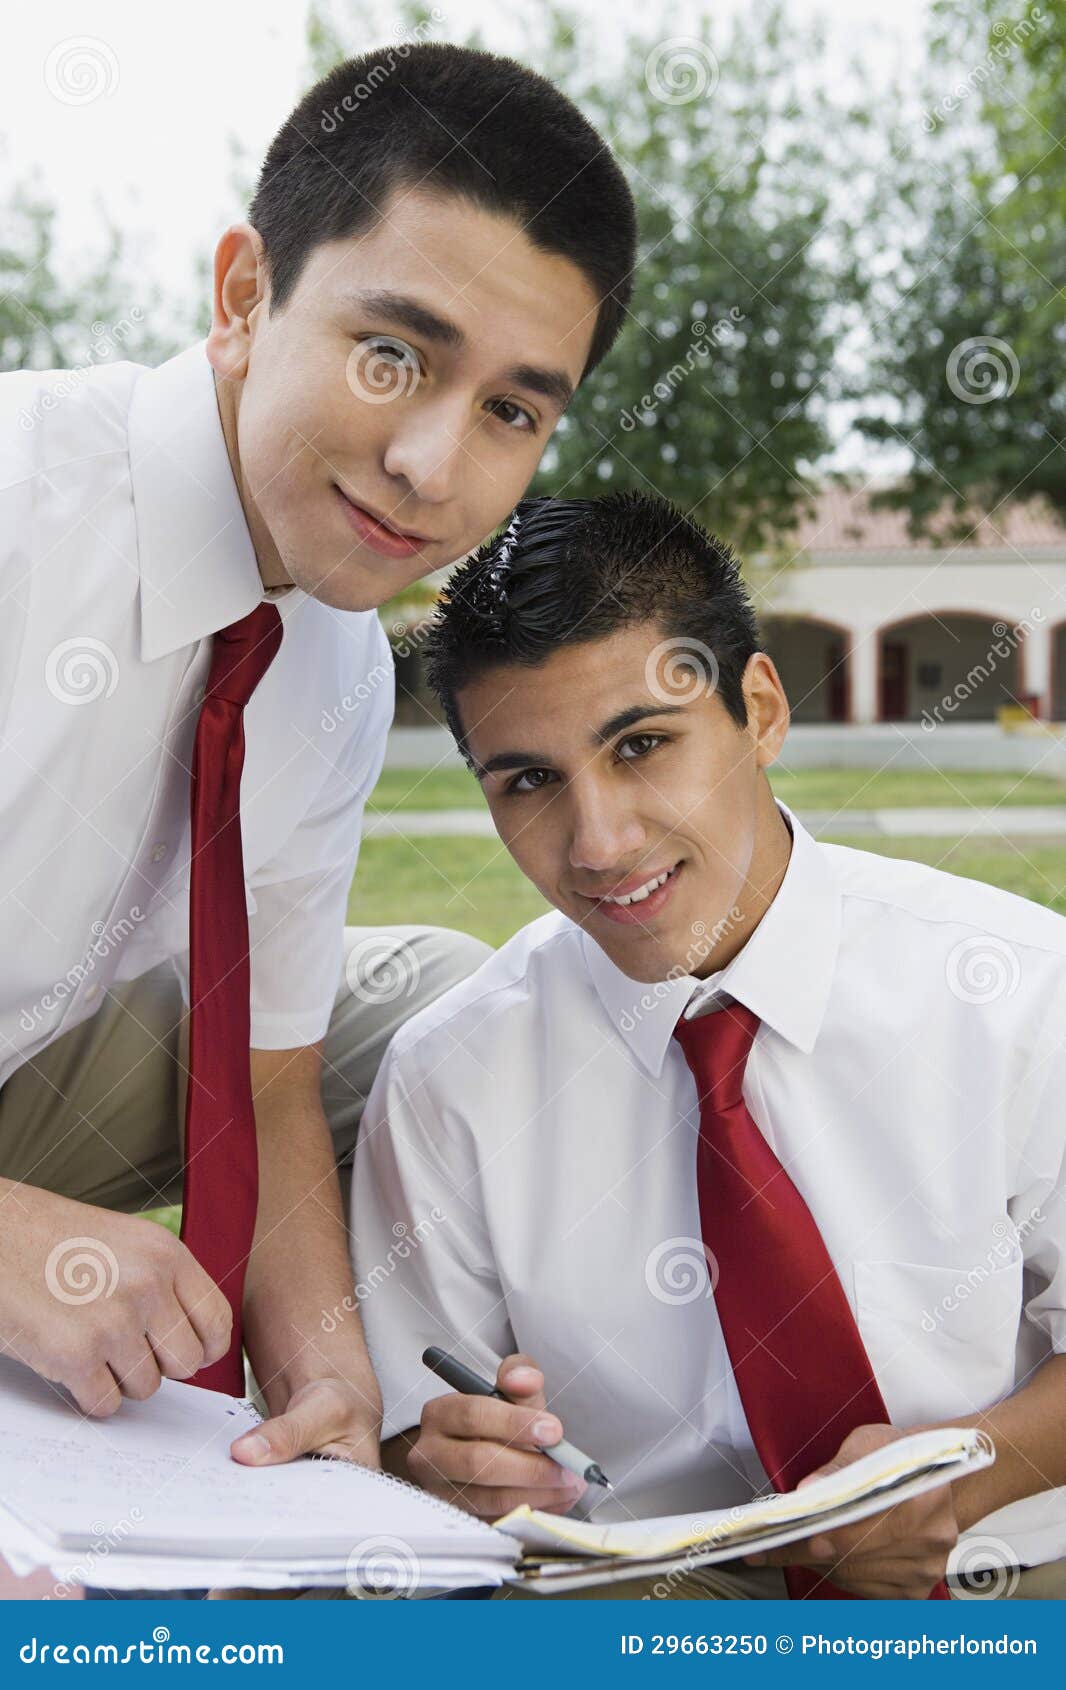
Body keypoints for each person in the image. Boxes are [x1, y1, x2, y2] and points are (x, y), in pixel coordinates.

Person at [0, 35, 638, 1576]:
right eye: (392, 354)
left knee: (432, 990)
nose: (432, 464)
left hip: (31, 1084)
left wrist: (330, 1376)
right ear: (240, 298)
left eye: (511, 411)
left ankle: (452, 1433)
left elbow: (268, 1074)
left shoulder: (334, 666)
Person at [350, 490, 1066, 1600]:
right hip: (643, 1599)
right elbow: (412, 1429)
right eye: (529, 781)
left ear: (761, 709)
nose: (598, 841)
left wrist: (959, 1476)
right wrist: (444, 1463)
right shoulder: (452, 1077)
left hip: (1005, 1560)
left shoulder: (1020, 991)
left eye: (641, 745)